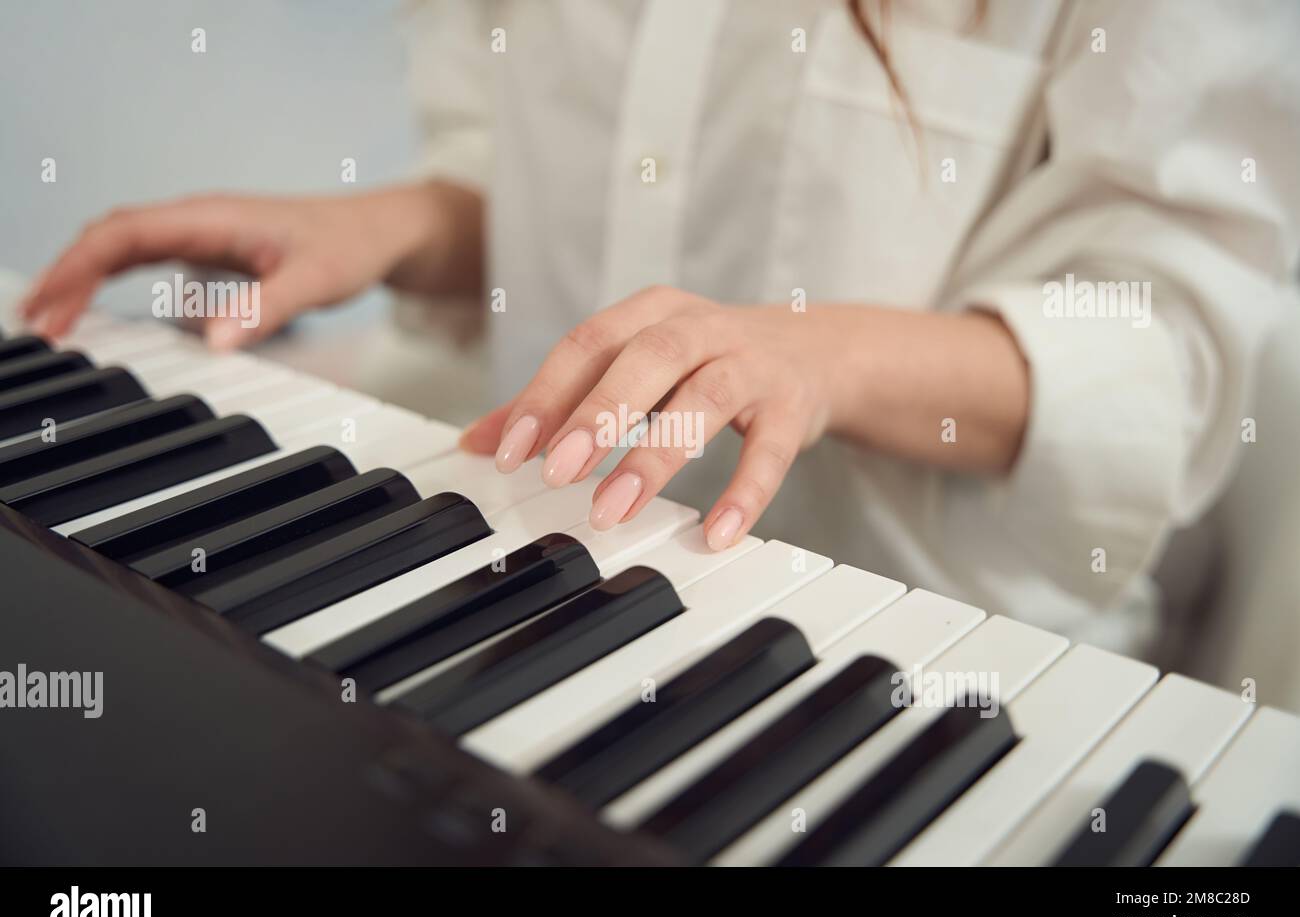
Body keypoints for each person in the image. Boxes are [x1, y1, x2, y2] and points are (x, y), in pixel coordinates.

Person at [18, 0, 1300, 658]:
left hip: (923, 640)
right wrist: (407, 224)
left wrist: (825, 353)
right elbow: (553, 193)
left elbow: (1170, 339)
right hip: (528, 567)